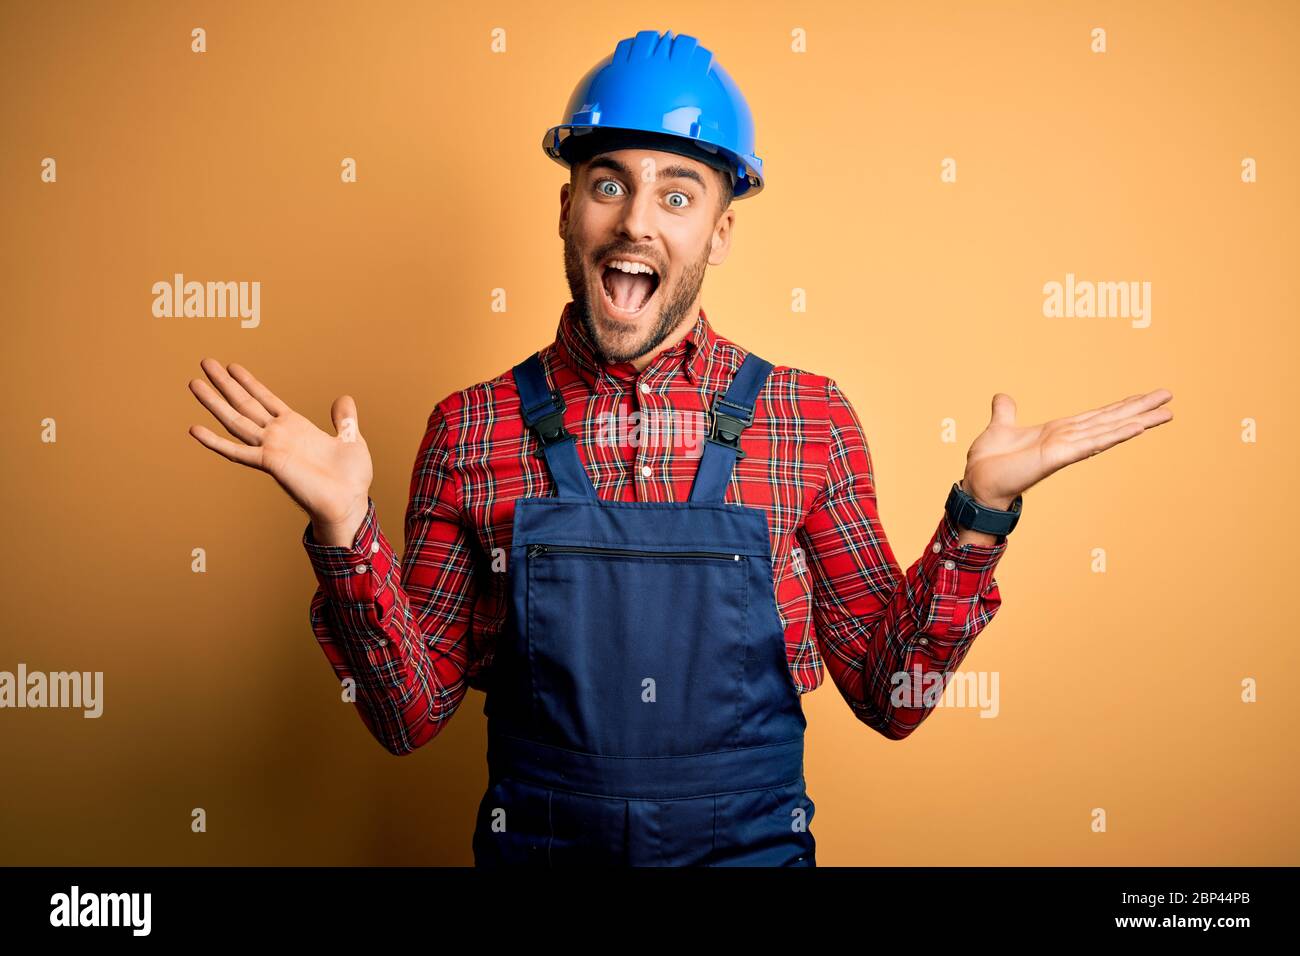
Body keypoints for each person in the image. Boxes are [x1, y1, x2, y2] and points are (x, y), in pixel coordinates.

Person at [186, 29, 1174, 866]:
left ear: (720, 231)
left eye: (676, 192)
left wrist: (978, 518)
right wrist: (343, 528)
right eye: (607, 183)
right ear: (566, 209)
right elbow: (408, 718)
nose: (634, 219)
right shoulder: (469, 428)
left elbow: (888, 692)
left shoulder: (808, 420)